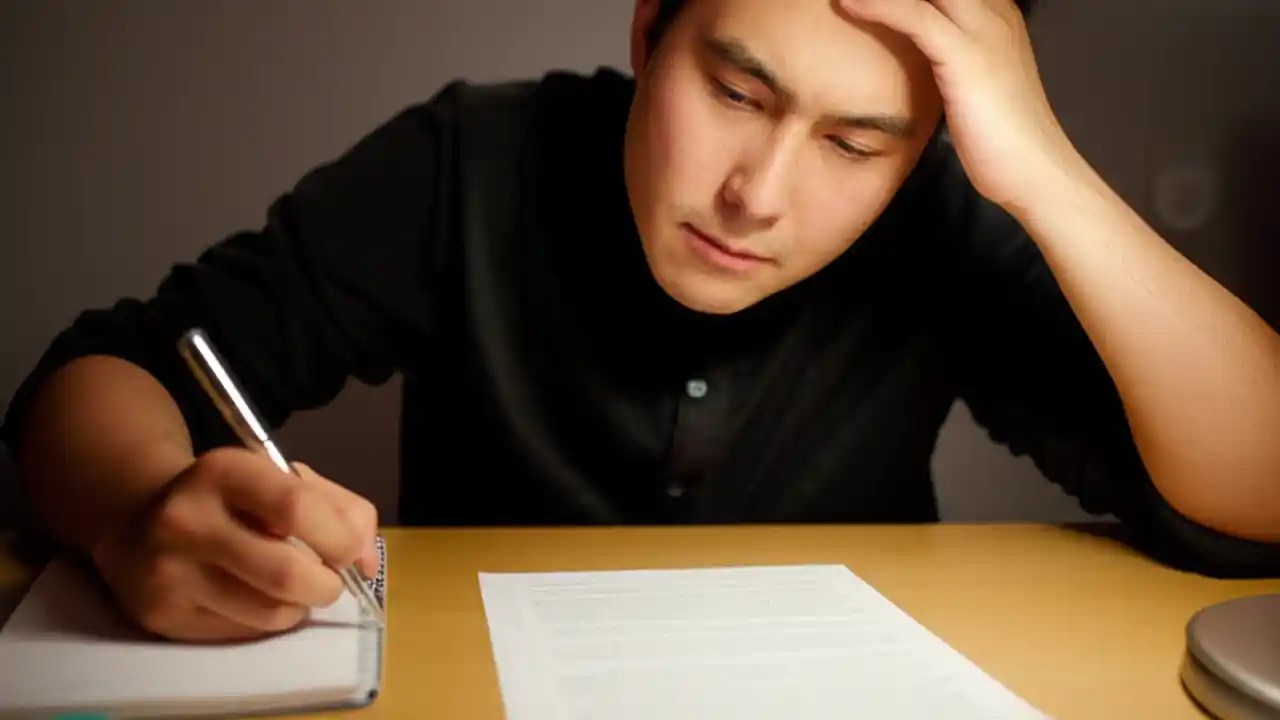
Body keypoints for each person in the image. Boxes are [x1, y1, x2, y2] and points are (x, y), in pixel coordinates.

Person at [4, 0, 1280, 643]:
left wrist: (1044, 171)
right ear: (646, 28)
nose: (757, 196)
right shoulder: (470, 163)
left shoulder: (941, 225)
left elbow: (1258, 498)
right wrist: (132, 511)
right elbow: (108, 369)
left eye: (854, 142)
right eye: (732, 89)